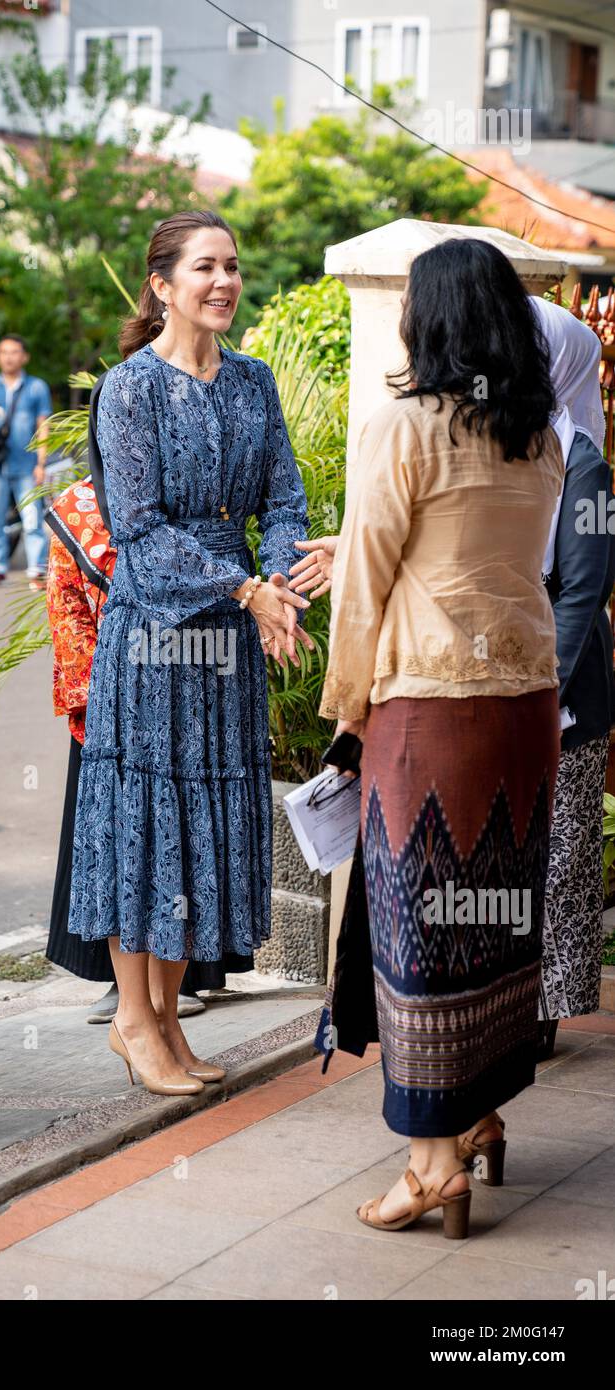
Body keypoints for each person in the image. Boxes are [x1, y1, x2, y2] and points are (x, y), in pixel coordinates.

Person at [318, 238, 563, 1237]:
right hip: (523, 708)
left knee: (418, 926)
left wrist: (343, 715)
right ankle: (480, 1115)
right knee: (495, 919)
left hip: (429, 709)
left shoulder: (403, 429)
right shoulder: (539, 438)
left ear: (430, 323)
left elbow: (360, 586)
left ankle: (428, 1165)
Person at [66, 209, 312, 1096]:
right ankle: (134, 1022)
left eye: (234, 267)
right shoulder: (128, 389)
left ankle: (168, 1021)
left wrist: (281, 582)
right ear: (162, 286)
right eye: (204, 267)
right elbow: (136, 531)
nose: (224, 282)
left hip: (229, 650)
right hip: (155, 647)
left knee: (198, 832)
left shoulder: (253, 382)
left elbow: (285, 502)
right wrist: (247, 590)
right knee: (148, 830)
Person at [44, 380, 256, 1023]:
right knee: (131, 841)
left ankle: (172, 994)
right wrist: (88, 704)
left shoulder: (202, 508)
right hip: (124, 690)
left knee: (187, 831)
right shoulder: (83, 511)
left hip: (200, 680)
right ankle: (134, 1005)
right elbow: (71, 611)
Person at [531, 296, 615, 1057]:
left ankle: (545, 1011)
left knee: (560, 859)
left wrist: (543, 692)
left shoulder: (582, 462)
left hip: (565, 692)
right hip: (506, 682)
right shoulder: (503, 450)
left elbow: (583, 590)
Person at [0, 335, 52, 591]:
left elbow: (44, 426)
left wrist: (41, 463)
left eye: (14, 352)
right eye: (3, 352)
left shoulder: (36, 387)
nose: (8, 357)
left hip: (26, 464)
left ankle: (37, 570)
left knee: (32, 519)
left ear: (24, 356)